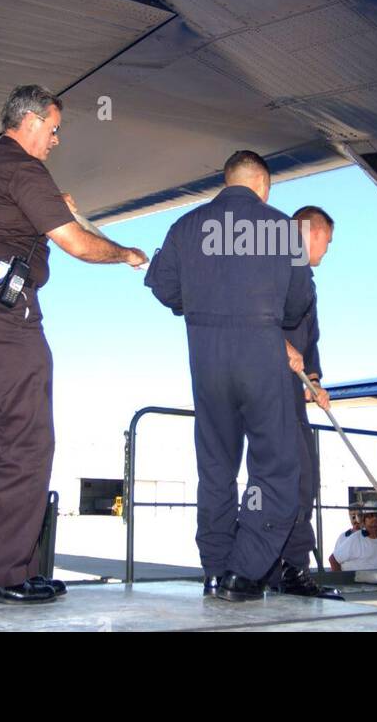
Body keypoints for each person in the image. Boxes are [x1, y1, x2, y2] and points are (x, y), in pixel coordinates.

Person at [0, 84, 145, 605]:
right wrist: (124, 253)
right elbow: (76, 242)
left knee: (6, 449)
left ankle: (19, 567)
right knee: (30, 444)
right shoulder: (22, 167)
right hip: (5, 314)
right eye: (54, 129)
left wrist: (51, 205)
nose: (56, 140)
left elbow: (6, 220)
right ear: (31, 121)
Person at [145, 150, 314, 602]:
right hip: (261, 353)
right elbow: (299, 304)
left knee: (216, 468)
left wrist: (199, 305)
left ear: (227, 180)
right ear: (262, 184)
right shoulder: (282, 228)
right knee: (275, 467)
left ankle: (215, 569)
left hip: (206, 356)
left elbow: (164, 288)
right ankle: (244, 571)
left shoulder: (185, 226)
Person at [269, 205, 342, 600]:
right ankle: (290, 571)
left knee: (295, 479)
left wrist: (313, 380)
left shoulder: (305, 281)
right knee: (297, 480)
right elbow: (254, 318)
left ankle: (273, 567)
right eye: (326, 242)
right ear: (311, 232)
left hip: (291, 390)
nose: (326, 251)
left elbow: (309, 338)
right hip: (271, 387)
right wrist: (282, 349)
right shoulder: (274, 267)